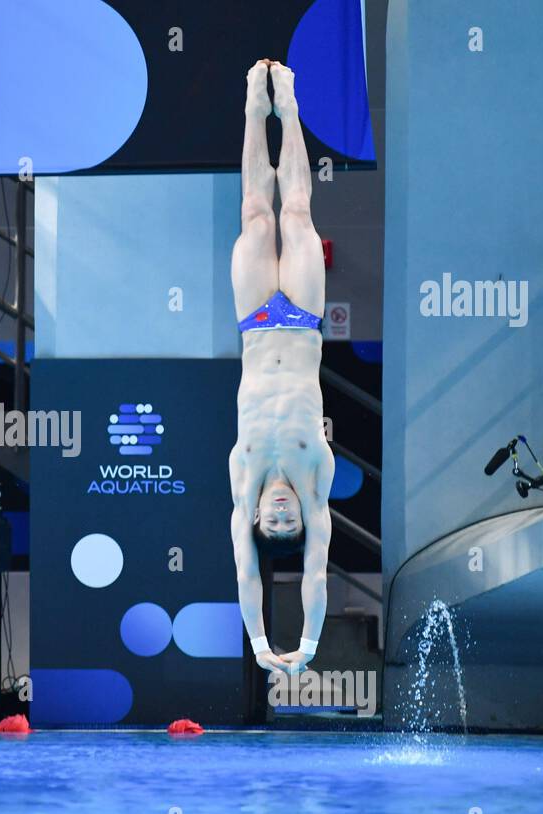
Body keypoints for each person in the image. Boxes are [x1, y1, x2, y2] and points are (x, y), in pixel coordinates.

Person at [228, 61, 335, 676]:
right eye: (286, 517)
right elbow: (314, 575)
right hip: (299, 321)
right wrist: (309, 646)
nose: (280, 513)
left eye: (274, 521)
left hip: (252, 324)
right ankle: (288, 110)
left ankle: (252, 110)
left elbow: (247, 571)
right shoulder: (314, 477)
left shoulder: (243, 481)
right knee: (294, 214)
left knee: (254, 215)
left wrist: (262, 644)